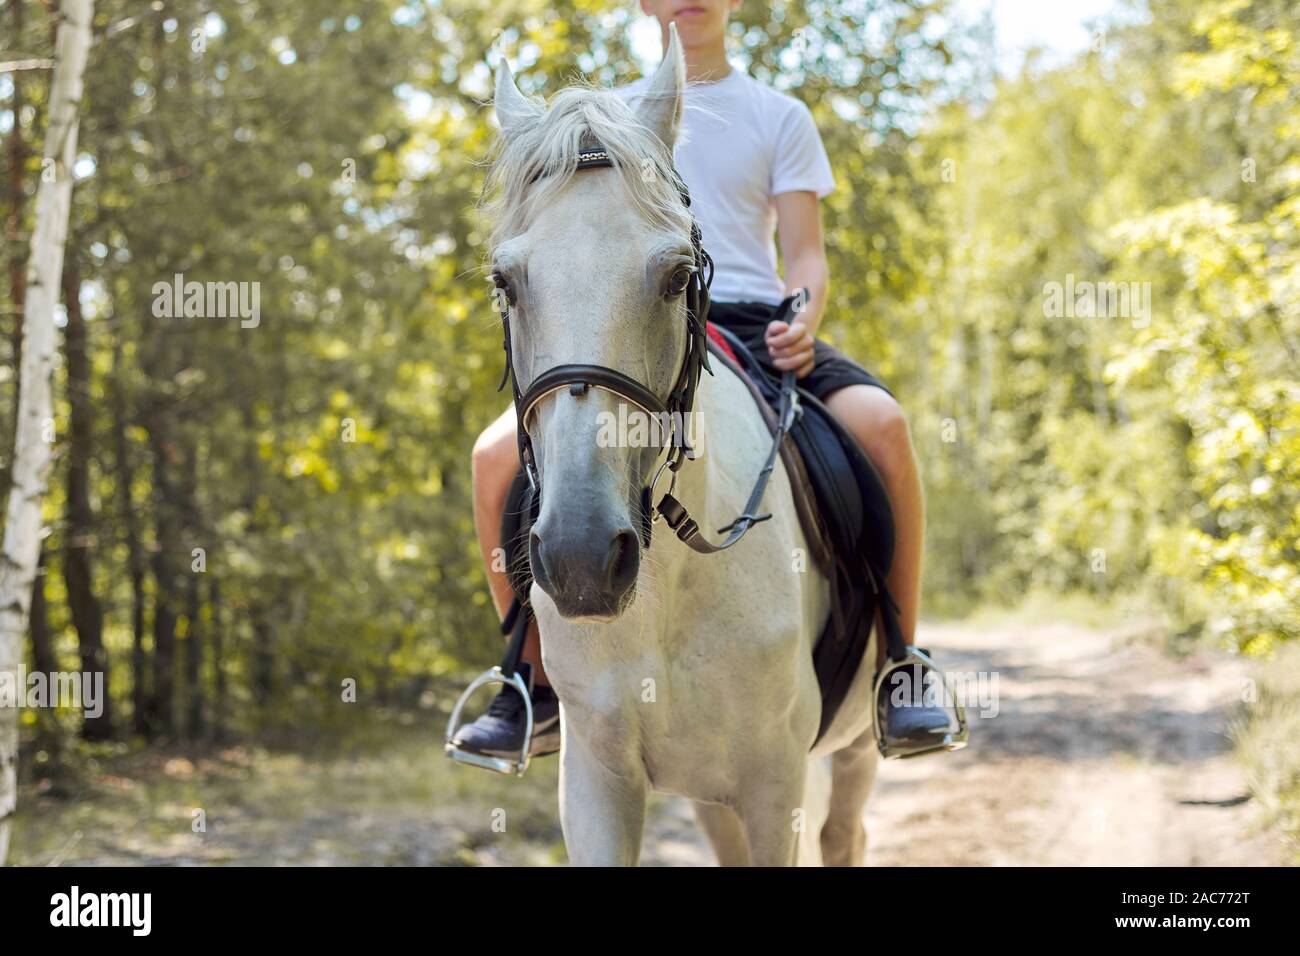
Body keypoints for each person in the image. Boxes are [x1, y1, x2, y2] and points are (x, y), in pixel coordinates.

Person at [452, 0, 955, 762]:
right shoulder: (603, 118)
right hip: (634, 332)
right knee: (495, 460)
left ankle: (900, 664)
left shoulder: (778, 115)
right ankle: (531, 681)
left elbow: (806, 253)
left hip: (755, 321)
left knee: (882, 425)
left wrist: (805, 315)